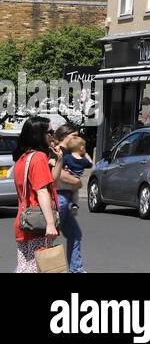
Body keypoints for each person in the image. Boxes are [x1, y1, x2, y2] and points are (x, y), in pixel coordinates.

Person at [12, 116, 60, 273]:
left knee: (25, 268)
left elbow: (50, 183)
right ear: (39, 135)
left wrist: (58, 161)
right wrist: (51, 223)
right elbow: (42, 191)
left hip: (24, 223)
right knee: (38, 269)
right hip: (37, 225)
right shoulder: (39, 158)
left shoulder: (22, 159)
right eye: (50, 132)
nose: (52, 136)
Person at [53, 129, 89, 273]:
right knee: (48, 237)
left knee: (75, 234)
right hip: (59, 196)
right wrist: (77, 182)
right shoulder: (57, 151)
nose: (76, 138)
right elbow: (59, 174)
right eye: (73, 135)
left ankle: (76, 270)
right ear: (64, 136)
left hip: (67, 198)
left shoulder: (69, 153)